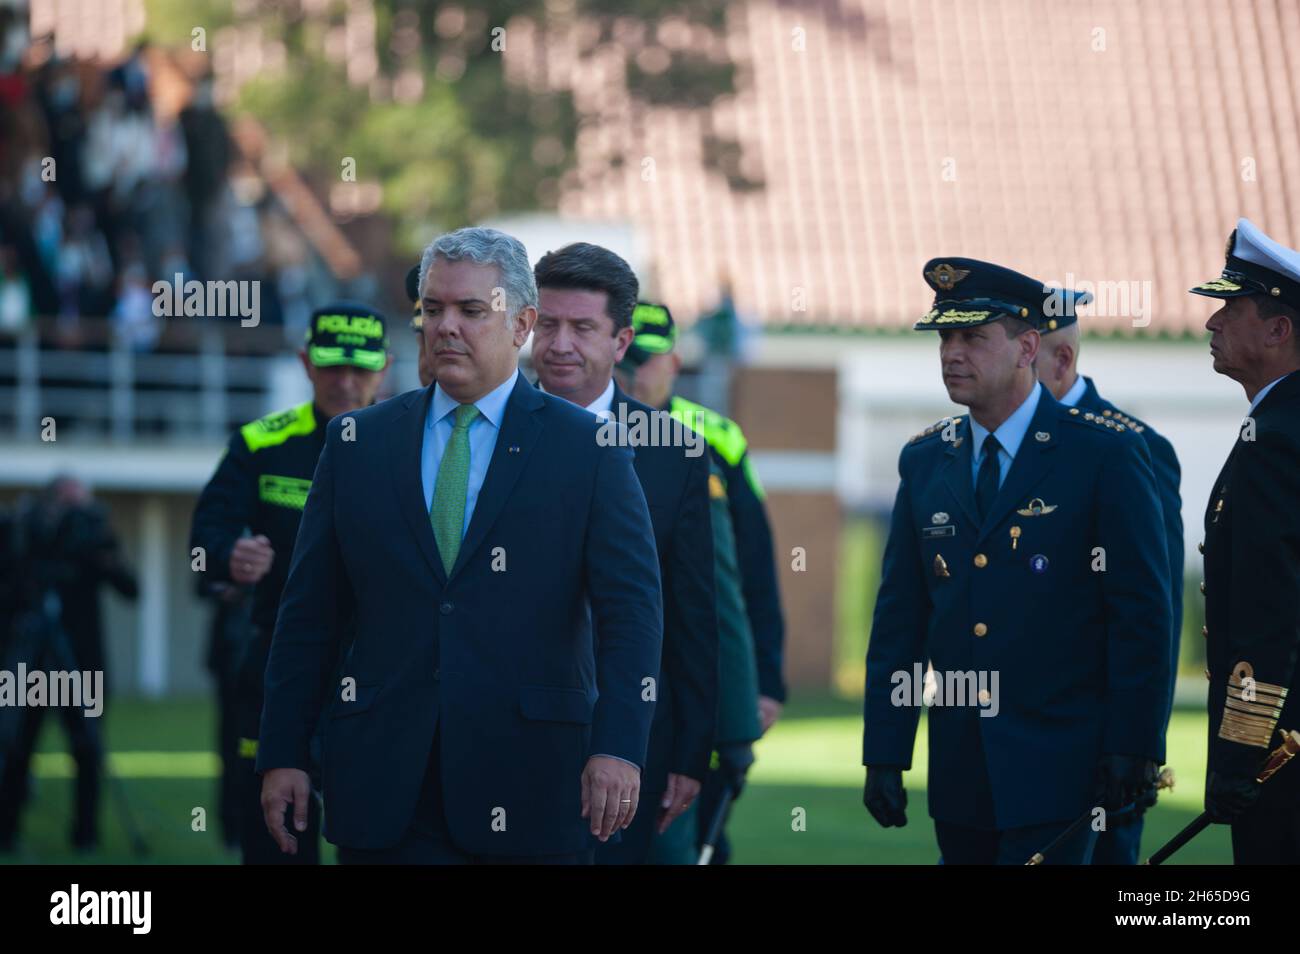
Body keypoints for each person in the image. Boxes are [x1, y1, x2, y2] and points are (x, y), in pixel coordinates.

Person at [256, 227, 663, 864]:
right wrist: (281, 752)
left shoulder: (589, 450)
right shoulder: (358, 444)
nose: (446, 326)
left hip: (533, 785)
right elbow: (308, 616)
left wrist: (617, 748)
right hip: (384, 788)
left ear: (522, 323)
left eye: (472, 311)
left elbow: (633, 614)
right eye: (433, 309)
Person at [861, 258, 1172, 864]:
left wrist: (1135, 745)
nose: (952, 353)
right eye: (946, 338)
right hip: (961, 771)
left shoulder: (1104, 452)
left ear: (1029, 346)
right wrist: (886, 750)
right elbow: (901, 618)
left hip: (1065, 765)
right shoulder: (926, 459)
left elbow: (1142, 614)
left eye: (973, 337)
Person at [531, 244, 717, 864]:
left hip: (634, 737)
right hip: (503, 732)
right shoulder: (485, 432)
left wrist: (691, 754)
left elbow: (692, 609)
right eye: (548, 324)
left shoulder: (675, 451)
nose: (561, 344)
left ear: (621, 341)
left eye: (583, 328)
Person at [190, 301, 393, 864]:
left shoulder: (415, 444)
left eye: (360, 368)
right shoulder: (260, 444)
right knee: (277, 836)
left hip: (381, 674)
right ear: (305, 363)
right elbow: (202, 544)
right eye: (331, 366)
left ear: (387, 367)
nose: (346, 381)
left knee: (378, 834)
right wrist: (229, 555)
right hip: (278, 667)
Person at [1035, 296, 1184, 864]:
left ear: (1060, 359)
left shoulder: (1135, 447)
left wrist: (1137, 746)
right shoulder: (989, 444)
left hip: (1099, 745)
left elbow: (1152, 611)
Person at [618, 302, 787, 735]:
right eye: (627, 357)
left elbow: (754, 562)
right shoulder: (589, 425)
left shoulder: (715, 437)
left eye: (646, 359)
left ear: (674, 362)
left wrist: (766, 680)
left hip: (697, 653)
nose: (635, 371)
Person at [1189, 218, 1300, 863]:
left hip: (1282, 755)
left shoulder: (1279, 440)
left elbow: (1269, 613)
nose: (1211, 323)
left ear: (1279, 329)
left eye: (1228, 309)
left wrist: (1238, 754)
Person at [0, 477, 137, 853]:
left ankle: (86, 835)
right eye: (66, 504)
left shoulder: (92, 540)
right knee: (16, 745)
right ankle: (7, 830)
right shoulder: (23, 536)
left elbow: (130, 588)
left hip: (82, 662)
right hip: (30, 660)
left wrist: (102, 545)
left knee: (87, 748)